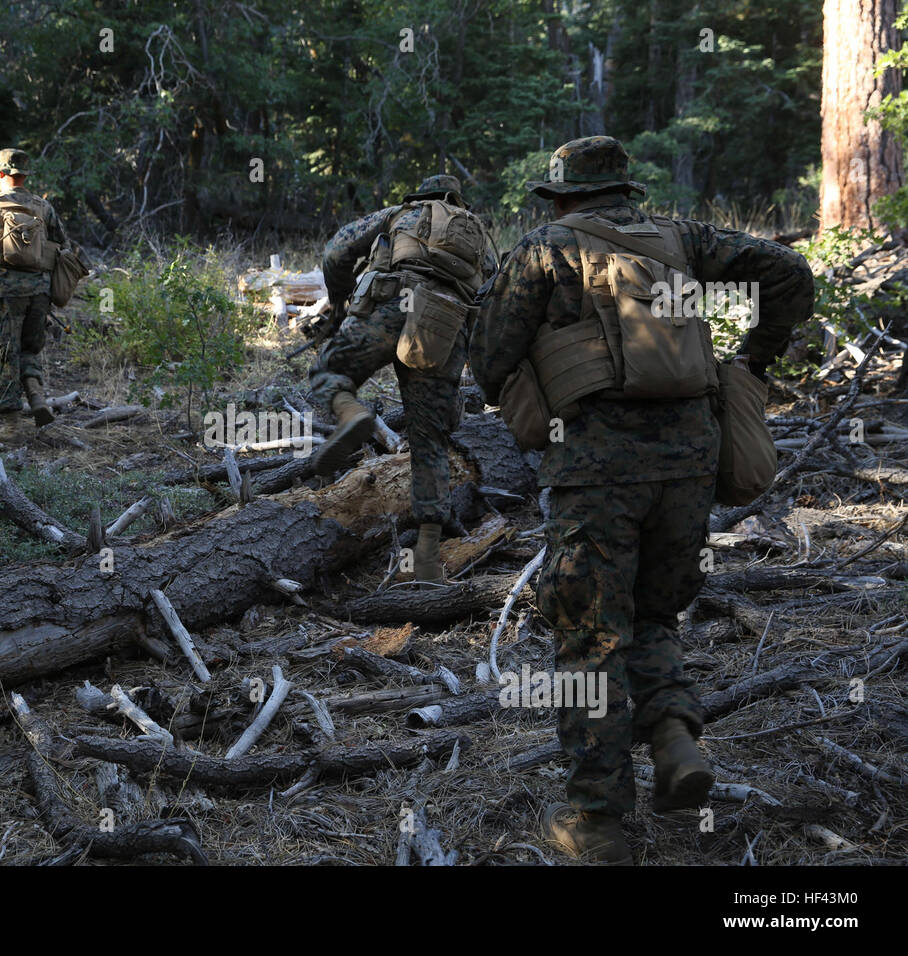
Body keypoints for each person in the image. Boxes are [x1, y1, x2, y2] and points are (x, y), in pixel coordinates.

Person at [471, 135, 814, 863]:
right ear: (626, 191)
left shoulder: (543, 249)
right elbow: (787, 272)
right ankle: (673, 738)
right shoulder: (683, 239)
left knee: (590, 635)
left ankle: (596, 822)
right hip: (691, 461)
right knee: (654, 612)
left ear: (561, 196)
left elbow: (491, 358)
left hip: (596, 470)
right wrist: (756, 355)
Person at [308, 174, 497, 582]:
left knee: (329, 368)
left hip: (389, 302)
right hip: (442, 325)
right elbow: (488, 303)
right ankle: (427, 557)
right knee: (430, 439)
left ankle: (351, 412)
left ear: (422, 195)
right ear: (456, 200)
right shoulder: (481, 237)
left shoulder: (401, 214)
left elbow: (337, 251)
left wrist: (340, 305)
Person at [0, 148, 71, 422]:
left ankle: (10, 424)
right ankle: (37, 397)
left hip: (5, 290)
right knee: (29, 348)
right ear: (22, 176)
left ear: (3, 174)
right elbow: (64, 247)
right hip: (40, 291)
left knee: (3, 352)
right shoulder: (43, 207)